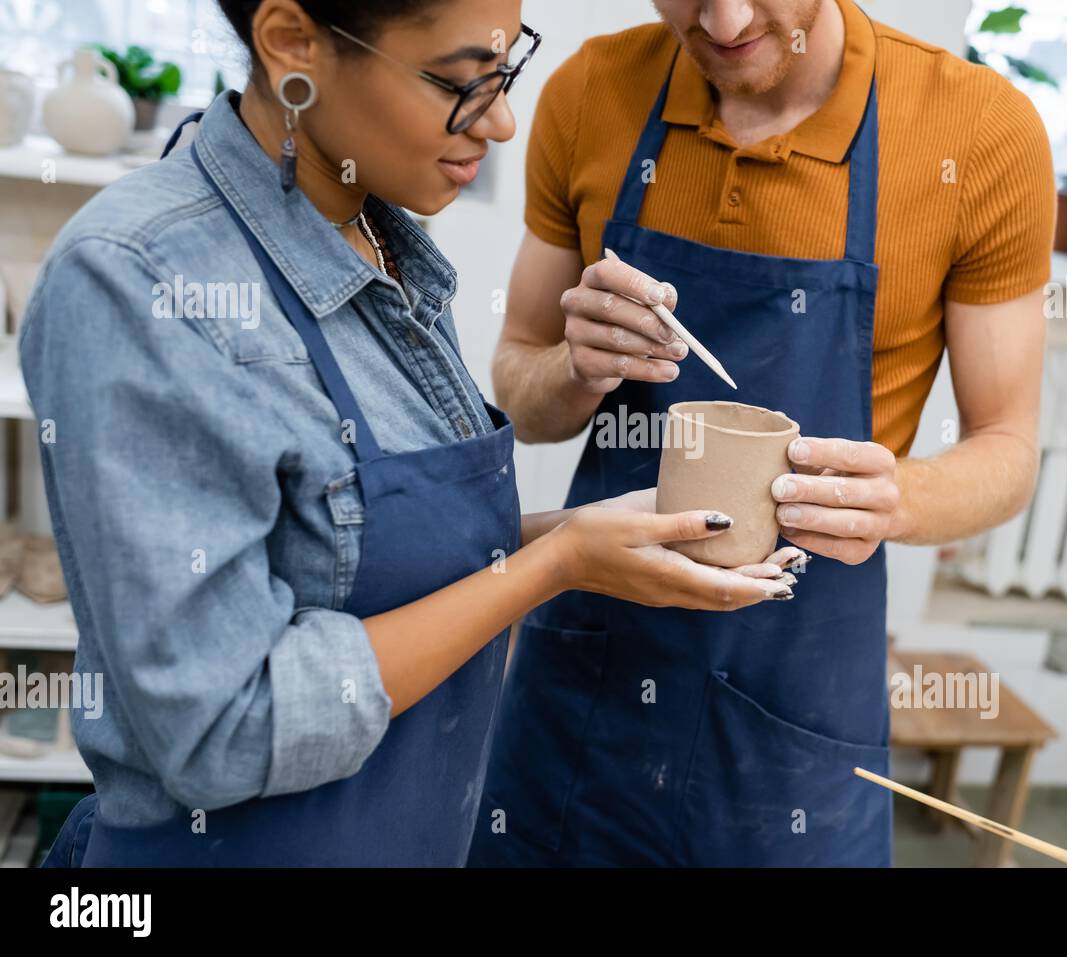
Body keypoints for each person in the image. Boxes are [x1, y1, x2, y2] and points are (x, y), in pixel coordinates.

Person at [27, 0, 798, 868]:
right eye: (460, 82)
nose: (503, 121)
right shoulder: (141, 283)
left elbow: (361, 559)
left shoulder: (375, 236)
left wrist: (619, 537)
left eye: (504, 74)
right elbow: (223, 727)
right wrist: (558, 563)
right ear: (291, 41)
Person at [470, 0, 1059, 867]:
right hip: (587, 688)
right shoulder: (590, 92)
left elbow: (1008, 449)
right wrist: (576, 367)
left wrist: (898, 498)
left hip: (794, 705)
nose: (727, 18)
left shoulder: (977, 134)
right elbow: (522, 392)